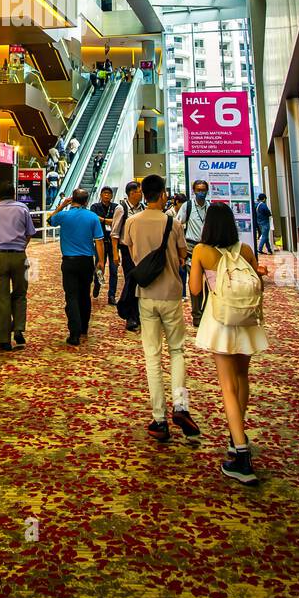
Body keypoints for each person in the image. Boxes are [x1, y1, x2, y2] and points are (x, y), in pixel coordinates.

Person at [190, 202, 268, 485]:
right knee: (242, 377)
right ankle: (237, 438)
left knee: (226, 386)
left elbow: (196, 290)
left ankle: (242, 454)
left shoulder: (202, 251)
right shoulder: (245, 249)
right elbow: (256, 279)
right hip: (247, 320)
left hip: (221, 320)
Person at [127, 174, 198, 443]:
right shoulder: (174, 223)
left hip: (146, 294)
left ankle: (159, 418)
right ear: (163, 194)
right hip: (171, 293)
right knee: (177, 351)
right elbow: (182, 257)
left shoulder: (133, 222)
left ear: (143, 193)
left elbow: (132, 256)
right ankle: (181, 405)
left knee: (152, 355)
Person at [0, 183, 36, 352]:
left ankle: (4, 340)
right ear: (14, 194)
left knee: (0, 298)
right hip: (20, 256)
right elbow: (30, 233)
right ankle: (18, 328)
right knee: (20, 293)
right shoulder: (23, 208)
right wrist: (21, 247)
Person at [49, 188, 105, 346]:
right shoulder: (92, 217)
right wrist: (100, 261)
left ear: (72, 200)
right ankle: (84, 328)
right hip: (86, 261)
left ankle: (74, 333)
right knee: (84, 295)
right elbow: (99, 241)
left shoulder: (64, 215)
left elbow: (50, 220)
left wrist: (61, 205)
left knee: (71, 296)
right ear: (86, 201)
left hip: (69, 261)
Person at [177, 180, 211, 322]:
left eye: (203, 190)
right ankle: (196, 314)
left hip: (209, 247)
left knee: (211, 282)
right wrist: (180, 251)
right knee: (195, 281)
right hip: (192, 248)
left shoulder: (211, 207)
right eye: (198, 190)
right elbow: (178, 225)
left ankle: (206, 310)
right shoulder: (187, 206)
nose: (201, 192)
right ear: (194, 191)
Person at [110, 180, 144, 325]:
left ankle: (138, 314)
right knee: (131, 281)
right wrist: (115, 254)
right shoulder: (121, 208)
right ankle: (130, 315)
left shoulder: (143, 208)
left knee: (141, 281)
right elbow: (115, 233)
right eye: (139, 191)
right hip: (126, 250)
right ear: (131, 193)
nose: (141, 194)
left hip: (142, 249)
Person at [90, 186, 119, 300]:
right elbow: (93, 219)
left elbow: (118, 221)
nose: (106, 195)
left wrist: (103, 220)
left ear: (111, 196)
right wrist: (109, 221)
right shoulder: (95, 206)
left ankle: (111, 295)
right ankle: (97, 284)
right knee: (99, 267)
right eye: (104, 193)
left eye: (109, 193)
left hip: (113, 243)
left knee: (114, 270)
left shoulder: (116, 207)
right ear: (101, 195)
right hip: (100, 243)